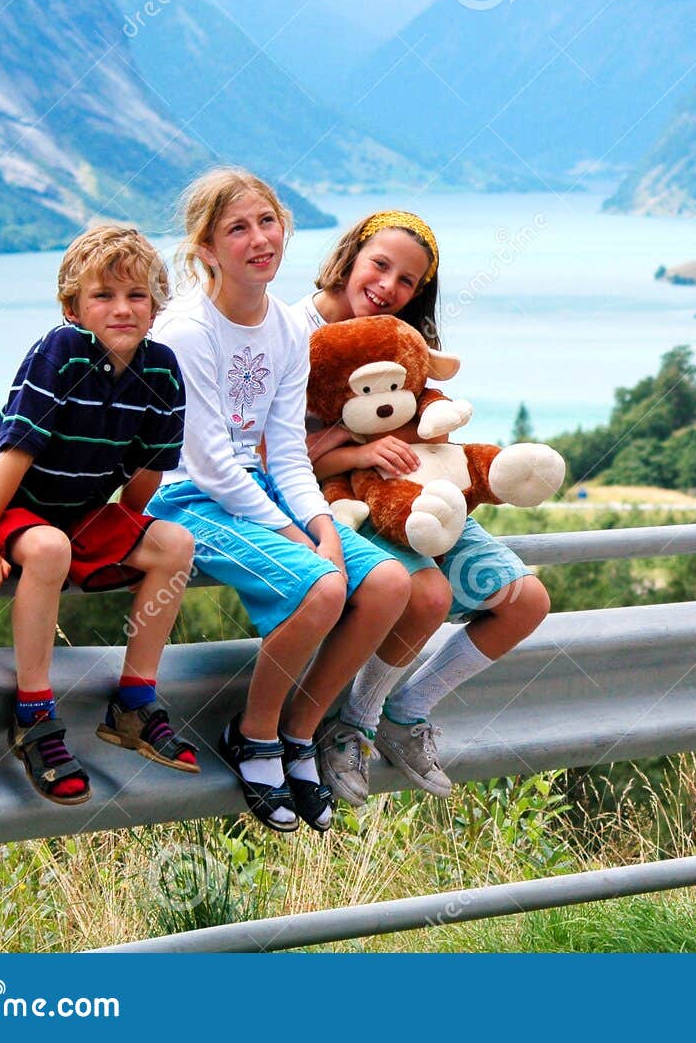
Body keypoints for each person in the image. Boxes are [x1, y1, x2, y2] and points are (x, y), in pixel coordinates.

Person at [145, 169, 412, 834]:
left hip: (259, 489)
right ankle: (253, 735)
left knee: (387, 583)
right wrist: (300, 542)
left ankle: (301, 731)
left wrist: (321, 525)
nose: (260, 239)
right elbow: (211, 462)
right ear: (207, 249)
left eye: (267, 221)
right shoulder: (186, 330)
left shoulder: (289, 327)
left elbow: (287, 452)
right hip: (187, 497)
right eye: (237, 228)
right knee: (322, 586)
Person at [0, 225, 198, 806]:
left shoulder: (163, 369)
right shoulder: (61, 351)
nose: (122, 309)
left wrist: (121, 547)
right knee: (49, 548)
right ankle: (33, 716)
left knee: (174, 544)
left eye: (137, 295)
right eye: (103, 296)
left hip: (77, 518)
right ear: (73, 308)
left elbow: (144, 476)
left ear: (156, 306)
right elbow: (16, 452)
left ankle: (133, 703)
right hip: (1, 508)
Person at [299, 210, 551, 801]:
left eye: (407, 281)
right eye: (380, 265)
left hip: (413, 494)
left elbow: (427, 428)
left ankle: (406, 713)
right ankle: (353, 725)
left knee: (526, 602)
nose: (388, 286)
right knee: (429, 596)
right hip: (340, 502)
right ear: (351, 256)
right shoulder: (293, 333)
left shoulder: (403, 342)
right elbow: (276, 459)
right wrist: (354, 450)